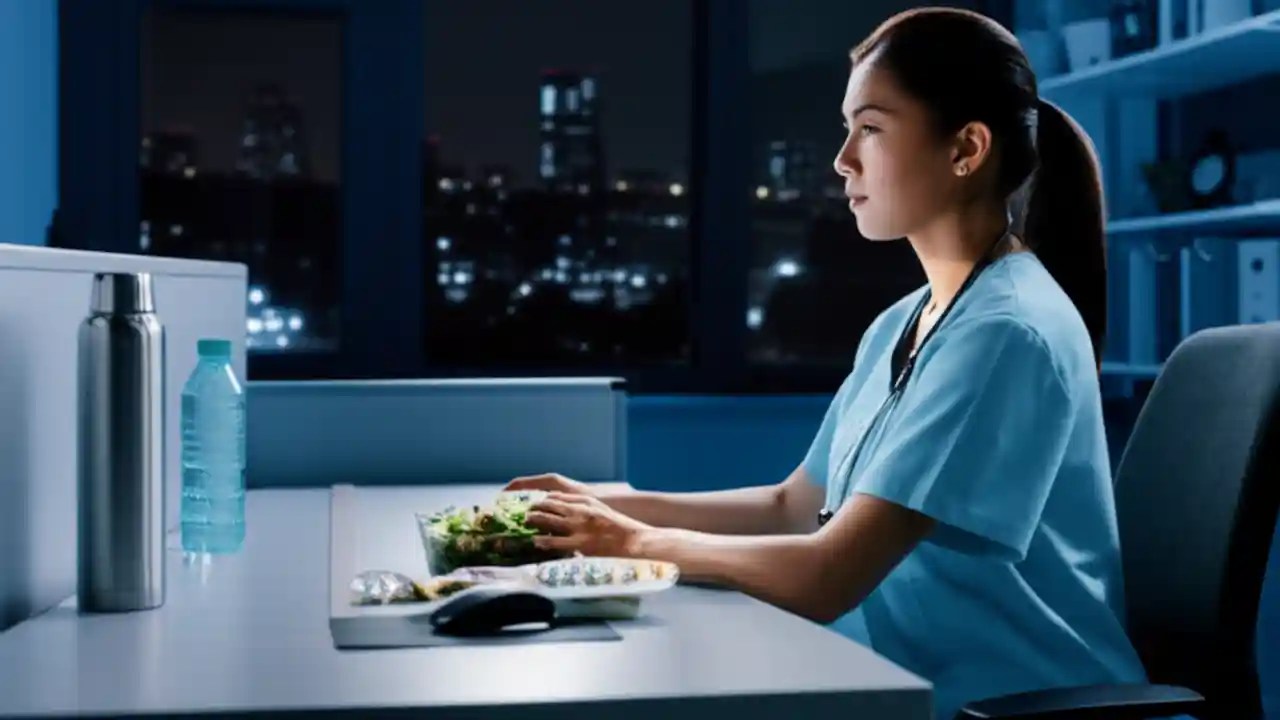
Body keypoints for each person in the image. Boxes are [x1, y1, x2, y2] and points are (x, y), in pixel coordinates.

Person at [505, 7, 1149, 719]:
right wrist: (598, 505)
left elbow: (828, 572)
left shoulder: (1008, 332)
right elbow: (796, 506)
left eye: (870, 129)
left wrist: (634, 543)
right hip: (900, 680)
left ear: (966, 148)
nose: (843, 159)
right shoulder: (905, 322)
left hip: (1005, 701)